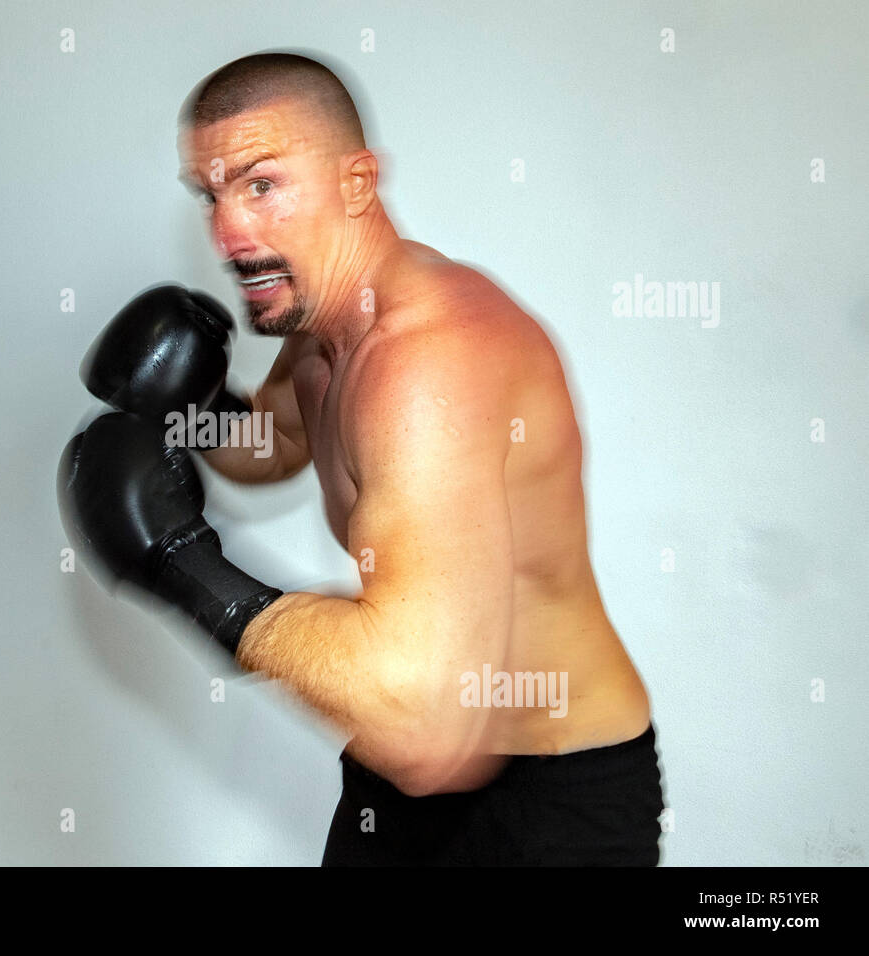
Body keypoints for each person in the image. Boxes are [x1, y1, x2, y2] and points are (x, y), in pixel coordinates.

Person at [59, 52, 664, 866]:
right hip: (401, 767)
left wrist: (180, 563)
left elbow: (432, 735)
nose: (229, 234)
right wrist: (189, 411)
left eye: (262, 184)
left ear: (355, 181)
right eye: (212, 194)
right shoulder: (323, 328)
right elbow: (272, 445)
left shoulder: (428, 361)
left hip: (543, 797)